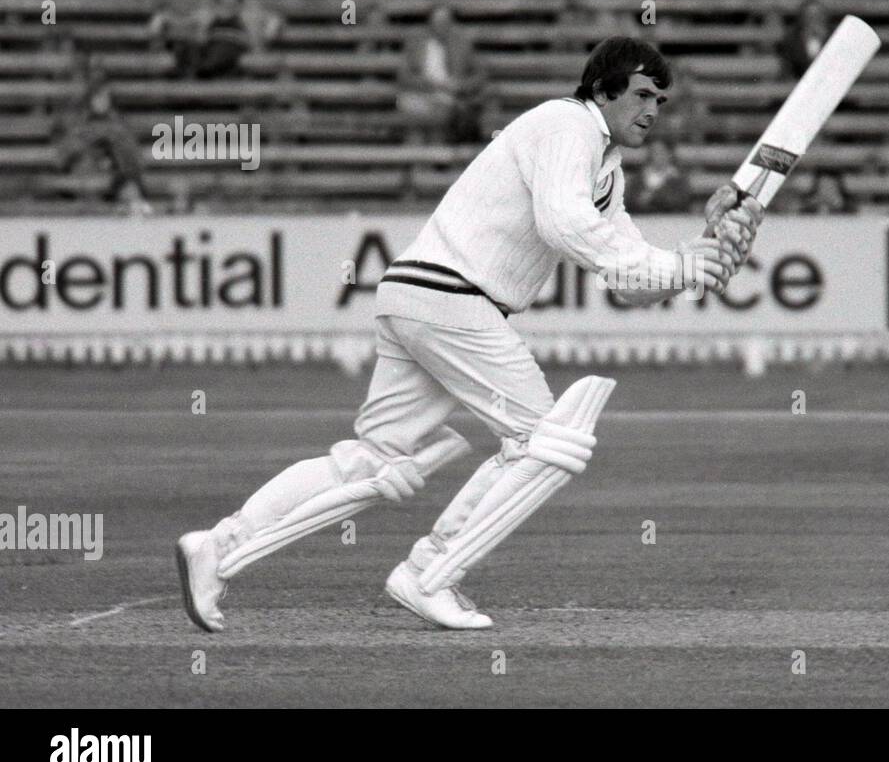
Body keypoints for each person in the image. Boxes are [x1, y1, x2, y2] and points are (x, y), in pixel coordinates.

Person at [176, 38, 763, 632]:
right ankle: (431, 574)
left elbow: (629, 279)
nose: (651, 111)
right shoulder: (567, 124)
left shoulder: (605, 168)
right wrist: (683, 265)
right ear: (604, 88)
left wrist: (703, 254)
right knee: (546, 441)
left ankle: (218, 547)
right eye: (641, 94)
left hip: (420, 294)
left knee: (376, 459)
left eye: (660, 101)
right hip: (453, 296)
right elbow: (564, 226)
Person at [52, 65, 150, 212]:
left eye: (105, 97)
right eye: (98, 97)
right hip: (84, 175)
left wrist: (113, 145)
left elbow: (134, 154)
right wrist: (91, 142)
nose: (102, 101)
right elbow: (64, 154)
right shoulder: (77, 121)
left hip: (116, 177)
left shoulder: (119, 122)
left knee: (129, 180)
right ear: (90, 98)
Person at [396, 6, 487, 144]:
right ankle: (421, 161)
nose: (441, 26)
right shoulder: (416, 44)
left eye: (445, 21)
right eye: (437, 21)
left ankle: (426, 159)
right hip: (419, 95)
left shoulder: (462, 45)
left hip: (448, 98)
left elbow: (480, 76)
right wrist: (429, 83)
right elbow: (403, 76)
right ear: (430, 23)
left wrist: (460, 86)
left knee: (435, 120)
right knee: (417, 118)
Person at [188, 0, 282, 78]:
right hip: (213, 47)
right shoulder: (208, 13)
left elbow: (275, 20)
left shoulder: (249, 12)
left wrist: (267, 36)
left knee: (224, 49)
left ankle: (204, 69)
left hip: (236, 46)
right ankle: (205, 70)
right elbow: (191, 25)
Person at [626, 139, 692, 213]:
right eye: (653, 152)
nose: (656, 156)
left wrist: (653, 195)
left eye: (661, 152)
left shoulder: (678, 177)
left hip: (671, 219)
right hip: (643, 219)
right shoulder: (640, 177)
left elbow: (681, 202)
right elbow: (631, 201)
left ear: (669, 154)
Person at [780, 0, 833, 78]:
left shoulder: (834, 37)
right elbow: (788, 68)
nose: (813, 20)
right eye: (809, 16)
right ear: (802, 18)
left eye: (817, 15)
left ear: (824, 17)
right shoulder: (792, 39)